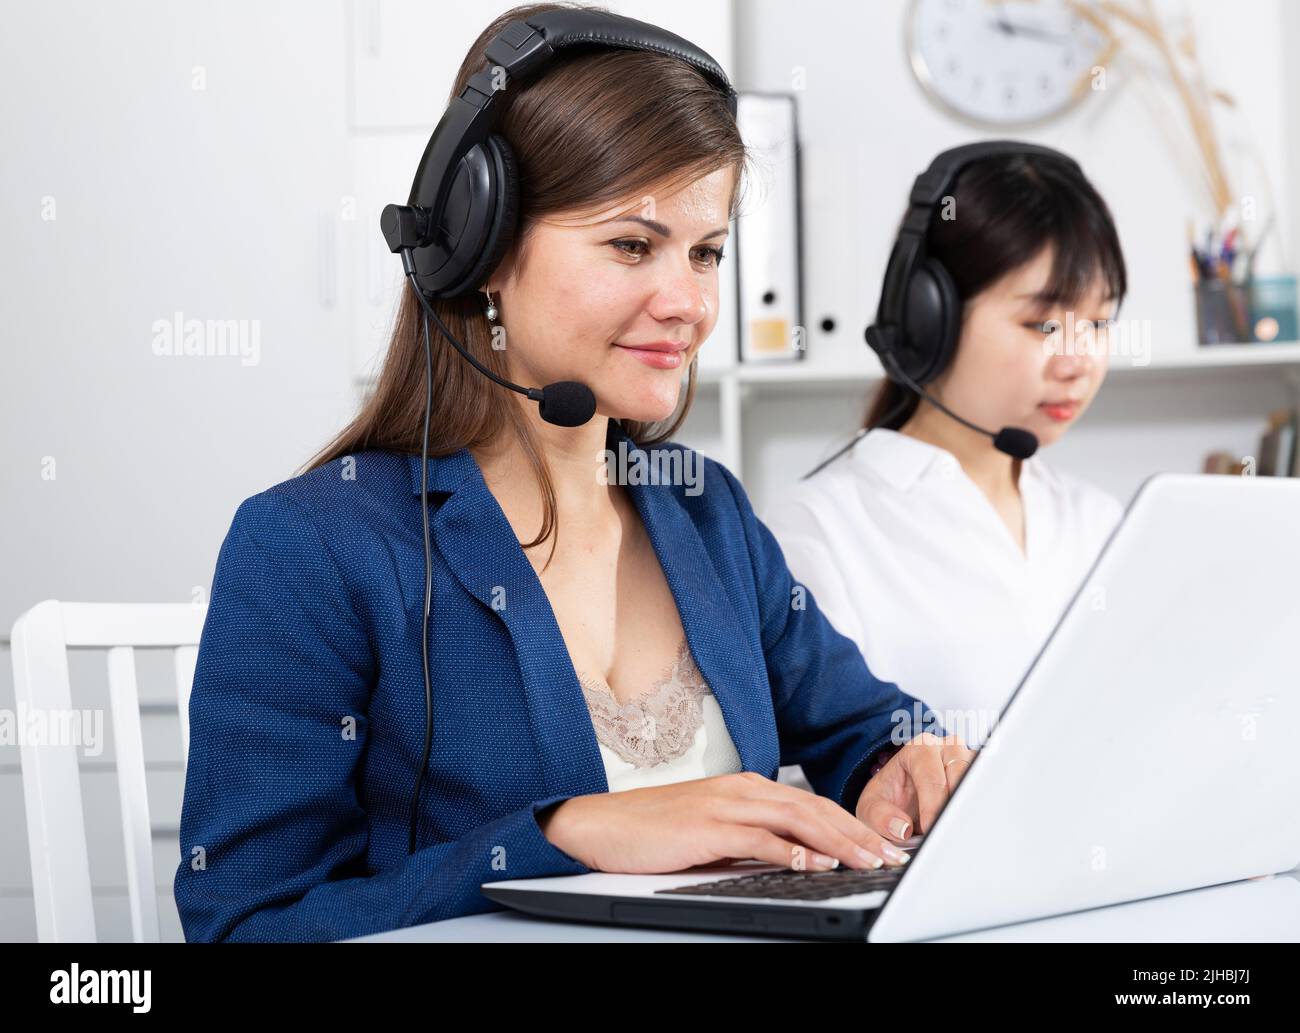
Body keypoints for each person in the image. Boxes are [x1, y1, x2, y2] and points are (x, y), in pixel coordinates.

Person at [173, 3, 971, 943]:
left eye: (706, 252)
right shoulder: (314, 544)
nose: (688, 304)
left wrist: (905, 758)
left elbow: (860, 722)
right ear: (481, 247)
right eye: (632, 245)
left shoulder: (702, 509)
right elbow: (246, 923)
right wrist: (559, 834)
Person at [764, 144, 1128, 749]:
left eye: (1098, 324)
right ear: (929, 316)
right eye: (1043, 324)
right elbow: (819, 779)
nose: (1079, 363)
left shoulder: (1101, 523)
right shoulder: (816, 532)